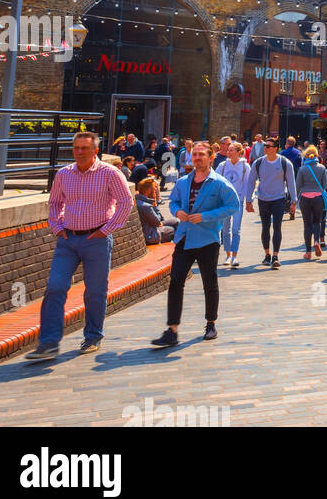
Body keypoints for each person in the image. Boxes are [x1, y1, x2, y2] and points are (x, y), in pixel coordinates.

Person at [25, 131, 134, 362]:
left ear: (96, 151)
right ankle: (48, 344)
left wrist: (106, 230)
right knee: (55, 287)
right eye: (76, 148)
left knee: (95, 291)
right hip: (68, 240)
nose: (79, 152)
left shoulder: (109, 173)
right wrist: (57, 227)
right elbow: (55, 203)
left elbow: (126, 202)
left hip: (97, 240)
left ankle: (93, 336)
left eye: (84, 148)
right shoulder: (64, 174)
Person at [151, 140, 241, 348]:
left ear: (211, 158)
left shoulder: (219, 183)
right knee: (175, 282)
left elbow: (233, 205)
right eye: (195, 154)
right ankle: (172, 329)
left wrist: (206, 216)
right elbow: (172, 202)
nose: (197, 157)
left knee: (209, 283)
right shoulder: (183, 182)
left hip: (207, 239)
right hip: (184, 237)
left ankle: (211, 324)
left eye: (202, 154)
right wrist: (177, 212)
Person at [245, 137, 297, 268]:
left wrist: (294, 200)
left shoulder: (285, 163)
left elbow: (291, 182)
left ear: (275, 148)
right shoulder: (258, 163)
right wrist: (248, 200)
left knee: (277, 227)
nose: (265, 148)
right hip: (263, 199)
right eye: (265, 146)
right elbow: (251, 181)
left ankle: (275, 256)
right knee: (265, 227)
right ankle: (267, 254)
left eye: (268, 146)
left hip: (279, 199)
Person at [218, 142, 249, 268]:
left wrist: (246, 199)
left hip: (238, 202)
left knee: (236, 229)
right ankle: (228, 254)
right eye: (228, 150)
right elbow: (216, 181)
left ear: (238, 152)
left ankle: (235, 256)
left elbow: (247, 184)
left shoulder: (245, 166)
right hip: (224, 202)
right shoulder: (222, 165)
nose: (228, 152)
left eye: (231, 150)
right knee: (225, 229)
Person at [295, 146, 327, 260]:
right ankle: (316, 241)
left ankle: (308, 252)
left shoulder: (302, 169)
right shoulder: (322, 168)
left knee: (307, 224)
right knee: (317, 222)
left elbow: (298, 185)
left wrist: (296, 198)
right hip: (318, 198)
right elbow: (325, 185)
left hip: (305, 198)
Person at [135, 177, 177, 245]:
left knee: (176, 221)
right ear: (148, 190)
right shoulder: (145, 206)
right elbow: (158, 221)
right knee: (172, 229)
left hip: (150, 227)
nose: (156, 190)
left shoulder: (139, 200)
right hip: (151, 235)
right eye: (155, 189)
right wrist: (156, 201)